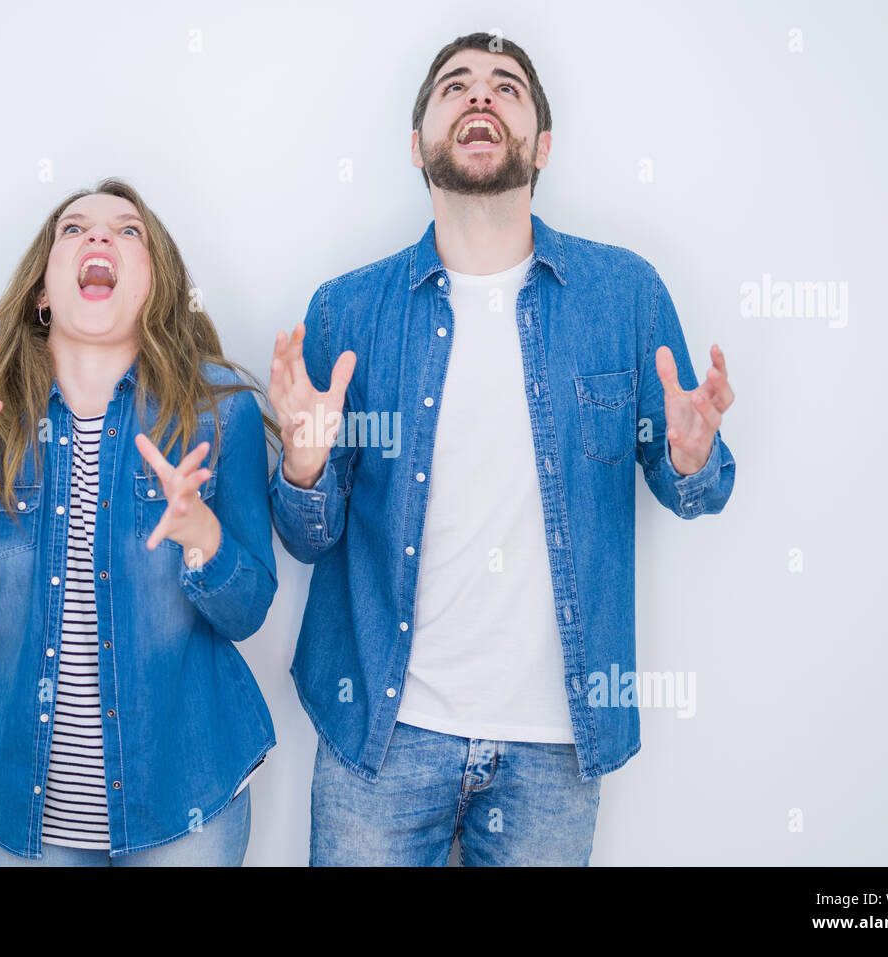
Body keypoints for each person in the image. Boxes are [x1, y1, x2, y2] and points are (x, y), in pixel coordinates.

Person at [267, 33, 737, 866]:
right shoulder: (345, 309)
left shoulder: (624, 293)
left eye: (505, 88)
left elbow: (695, 489)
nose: (479, 97)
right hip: (381, 733)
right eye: (455, 86)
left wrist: (691, 457)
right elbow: (308, 536)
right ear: (417, 144)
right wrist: (303, 467)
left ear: (542, 145)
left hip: (553, 747)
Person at [0, 178, 278, 866]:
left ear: (154, 288)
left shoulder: (219, 412)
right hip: (24, 814)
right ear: (43, 291)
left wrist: (203, 539)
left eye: (128, 231)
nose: (99, 236)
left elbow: (249, 609)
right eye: (73, 229)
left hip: (188, 798)